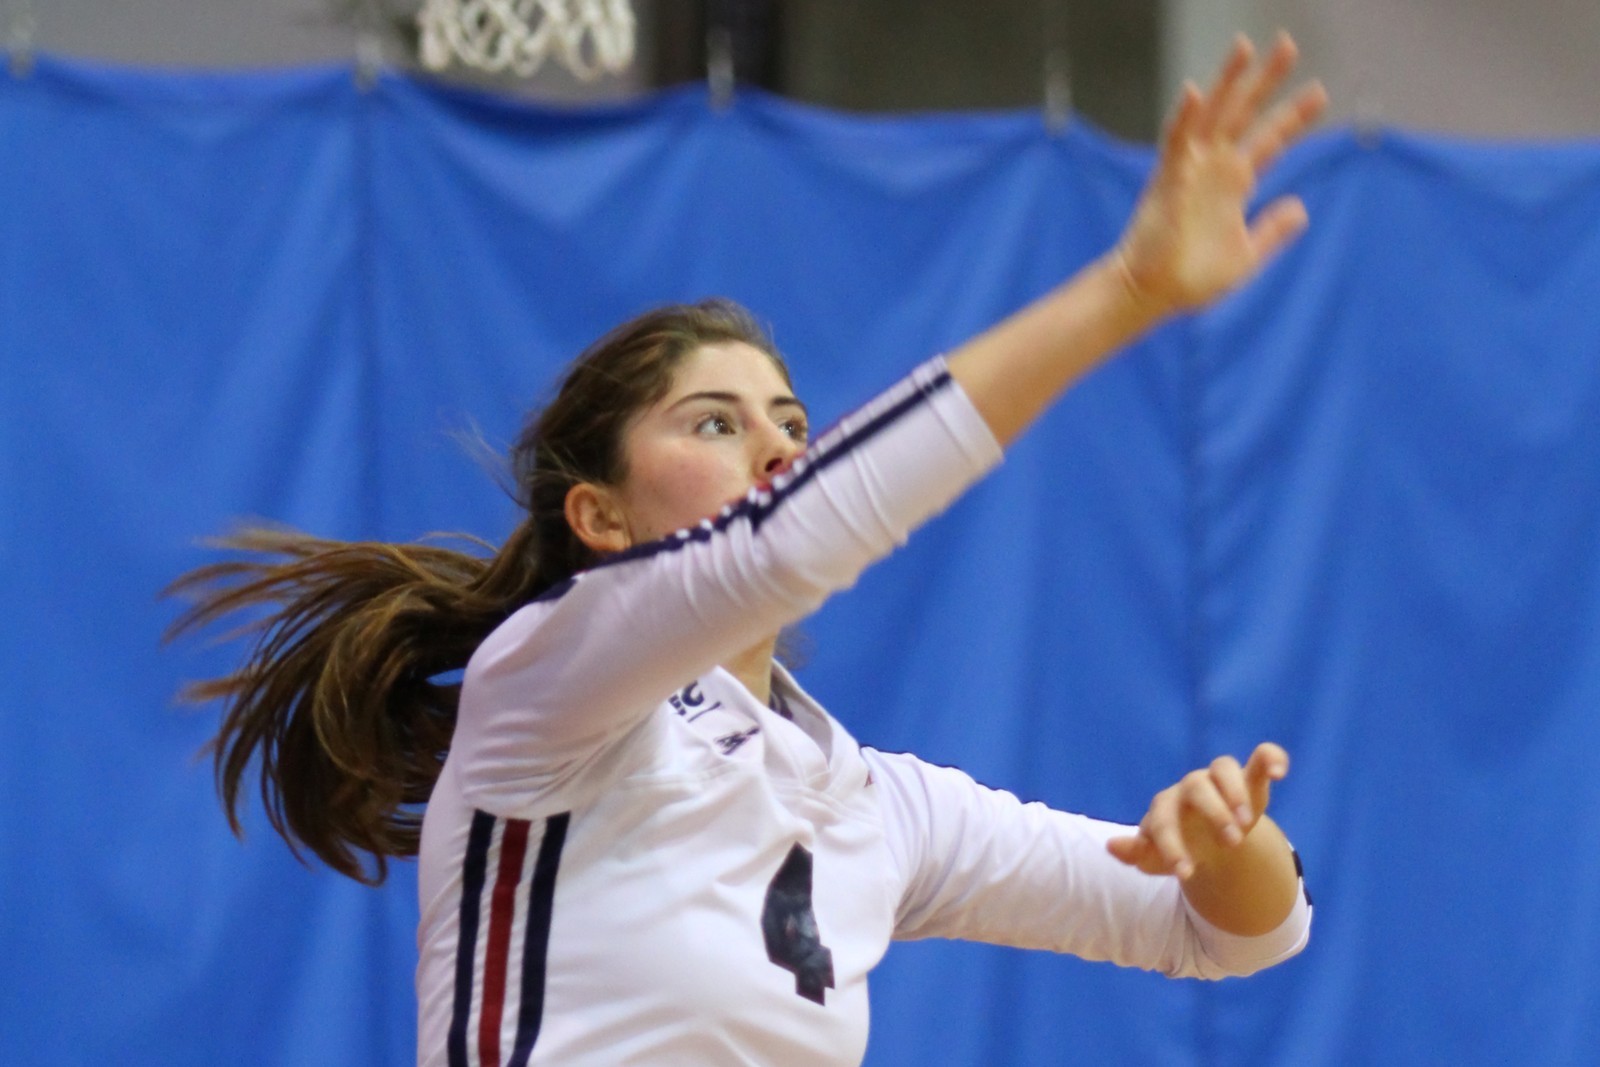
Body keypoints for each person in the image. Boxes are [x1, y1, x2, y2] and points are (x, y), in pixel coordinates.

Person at [169, 32, 1328, 1067]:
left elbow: (1229, 932)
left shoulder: (874, 803)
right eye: (713, 422)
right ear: (600, 519)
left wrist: (1231, 841)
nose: (775, 448)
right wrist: (1126, 288)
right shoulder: (549, 677)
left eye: (788, 423)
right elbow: (789, 544)